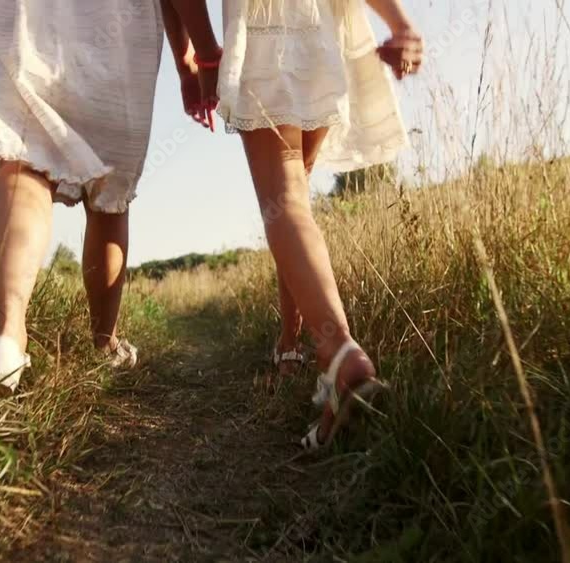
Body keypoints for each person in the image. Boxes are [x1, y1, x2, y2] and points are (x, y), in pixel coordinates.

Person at [163, 0, 424, 449]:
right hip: (320, 28)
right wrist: (400, 23)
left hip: (265, 27)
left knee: (284, 202)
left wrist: (199, 57)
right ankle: (294, 343)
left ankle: (340, 355)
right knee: (295, 198)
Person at [0, 0, 193, 392]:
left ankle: (4, 333)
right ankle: (105, 344)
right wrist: (190, 58)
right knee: (108, 199)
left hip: (26, 16)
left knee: (22, 163)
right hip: (121, 30)